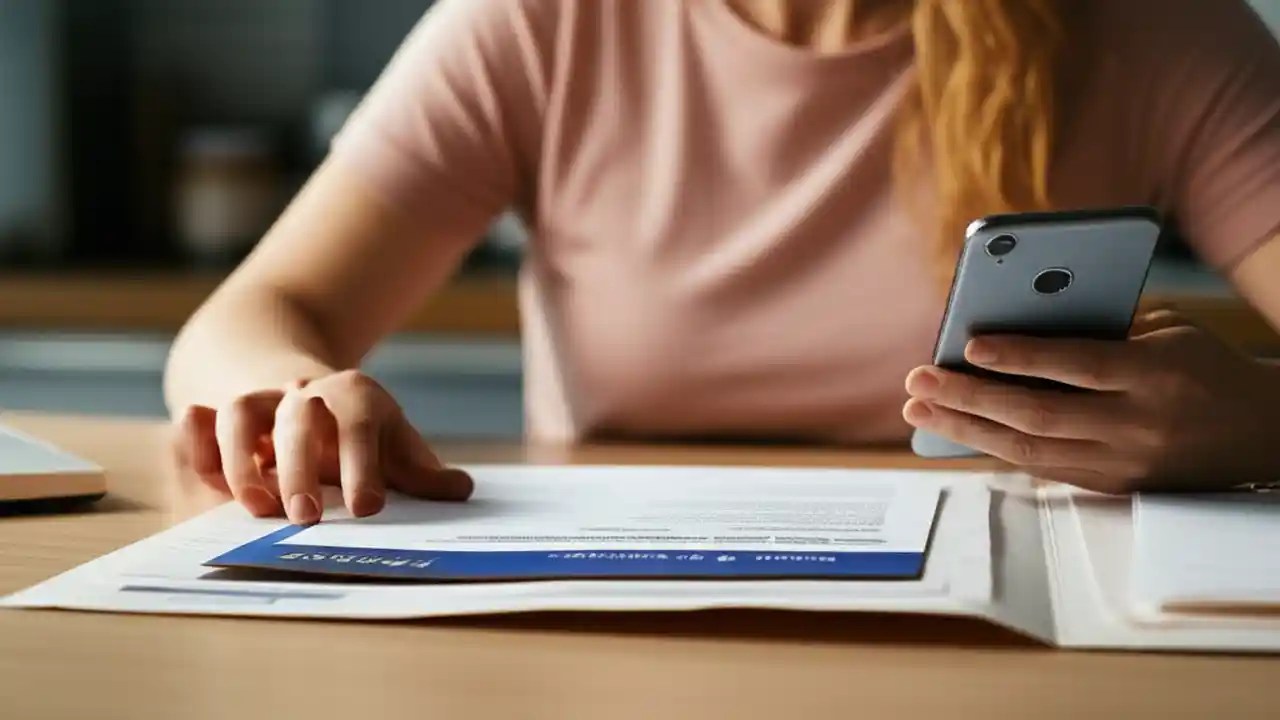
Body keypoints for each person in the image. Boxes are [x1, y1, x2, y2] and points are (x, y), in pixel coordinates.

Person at [165, 0, 1280, 526]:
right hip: (608, 621)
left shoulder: (1155, 27)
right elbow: (253, 314)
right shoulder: (541, 21)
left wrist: (1258, 419)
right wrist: (290, 395)